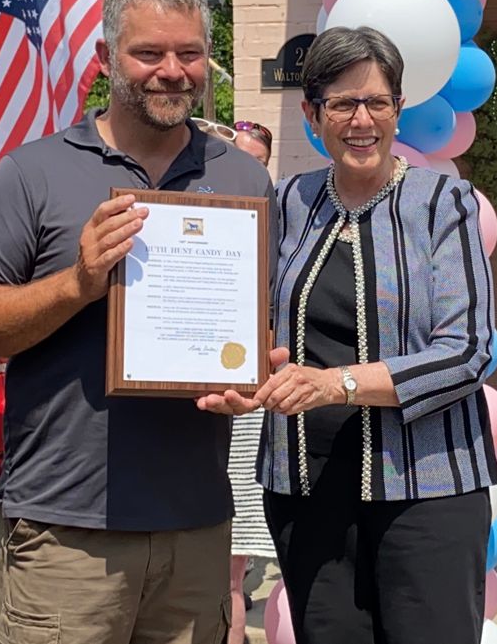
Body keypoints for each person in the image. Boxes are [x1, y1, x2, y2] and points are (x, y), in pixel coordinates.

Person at [0, 0, 275, 644]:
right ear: (104, 59)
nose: (172, 71)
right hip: (66, 529)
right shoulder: (34, 172)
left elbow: (257, 327)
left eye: (188, 53)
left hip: (196, 523)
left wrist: (254, 380)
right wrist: (76, 283)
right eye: (148, 53)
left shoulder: (242, 178)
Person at [198, 26, 497, 644]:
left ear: (398, 109)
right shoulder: (287, 203)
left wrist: (338, 384)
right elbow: (251, 325)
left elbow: (466, 350)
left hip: (428, 490)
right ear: (313, 114)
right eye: (341, 103)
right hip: (307, 490)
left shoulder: (444, 202)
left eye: (377, 103)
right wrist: (237, 375)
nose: (361, 120)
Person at [196, 116, 278, 644]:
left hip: (244, 405)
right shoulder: (189, 210)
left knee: (228, 567)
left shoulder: (273, 220)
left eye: (255, 161)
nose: (243, 168)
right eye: (234, 154)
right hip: (185, 409)